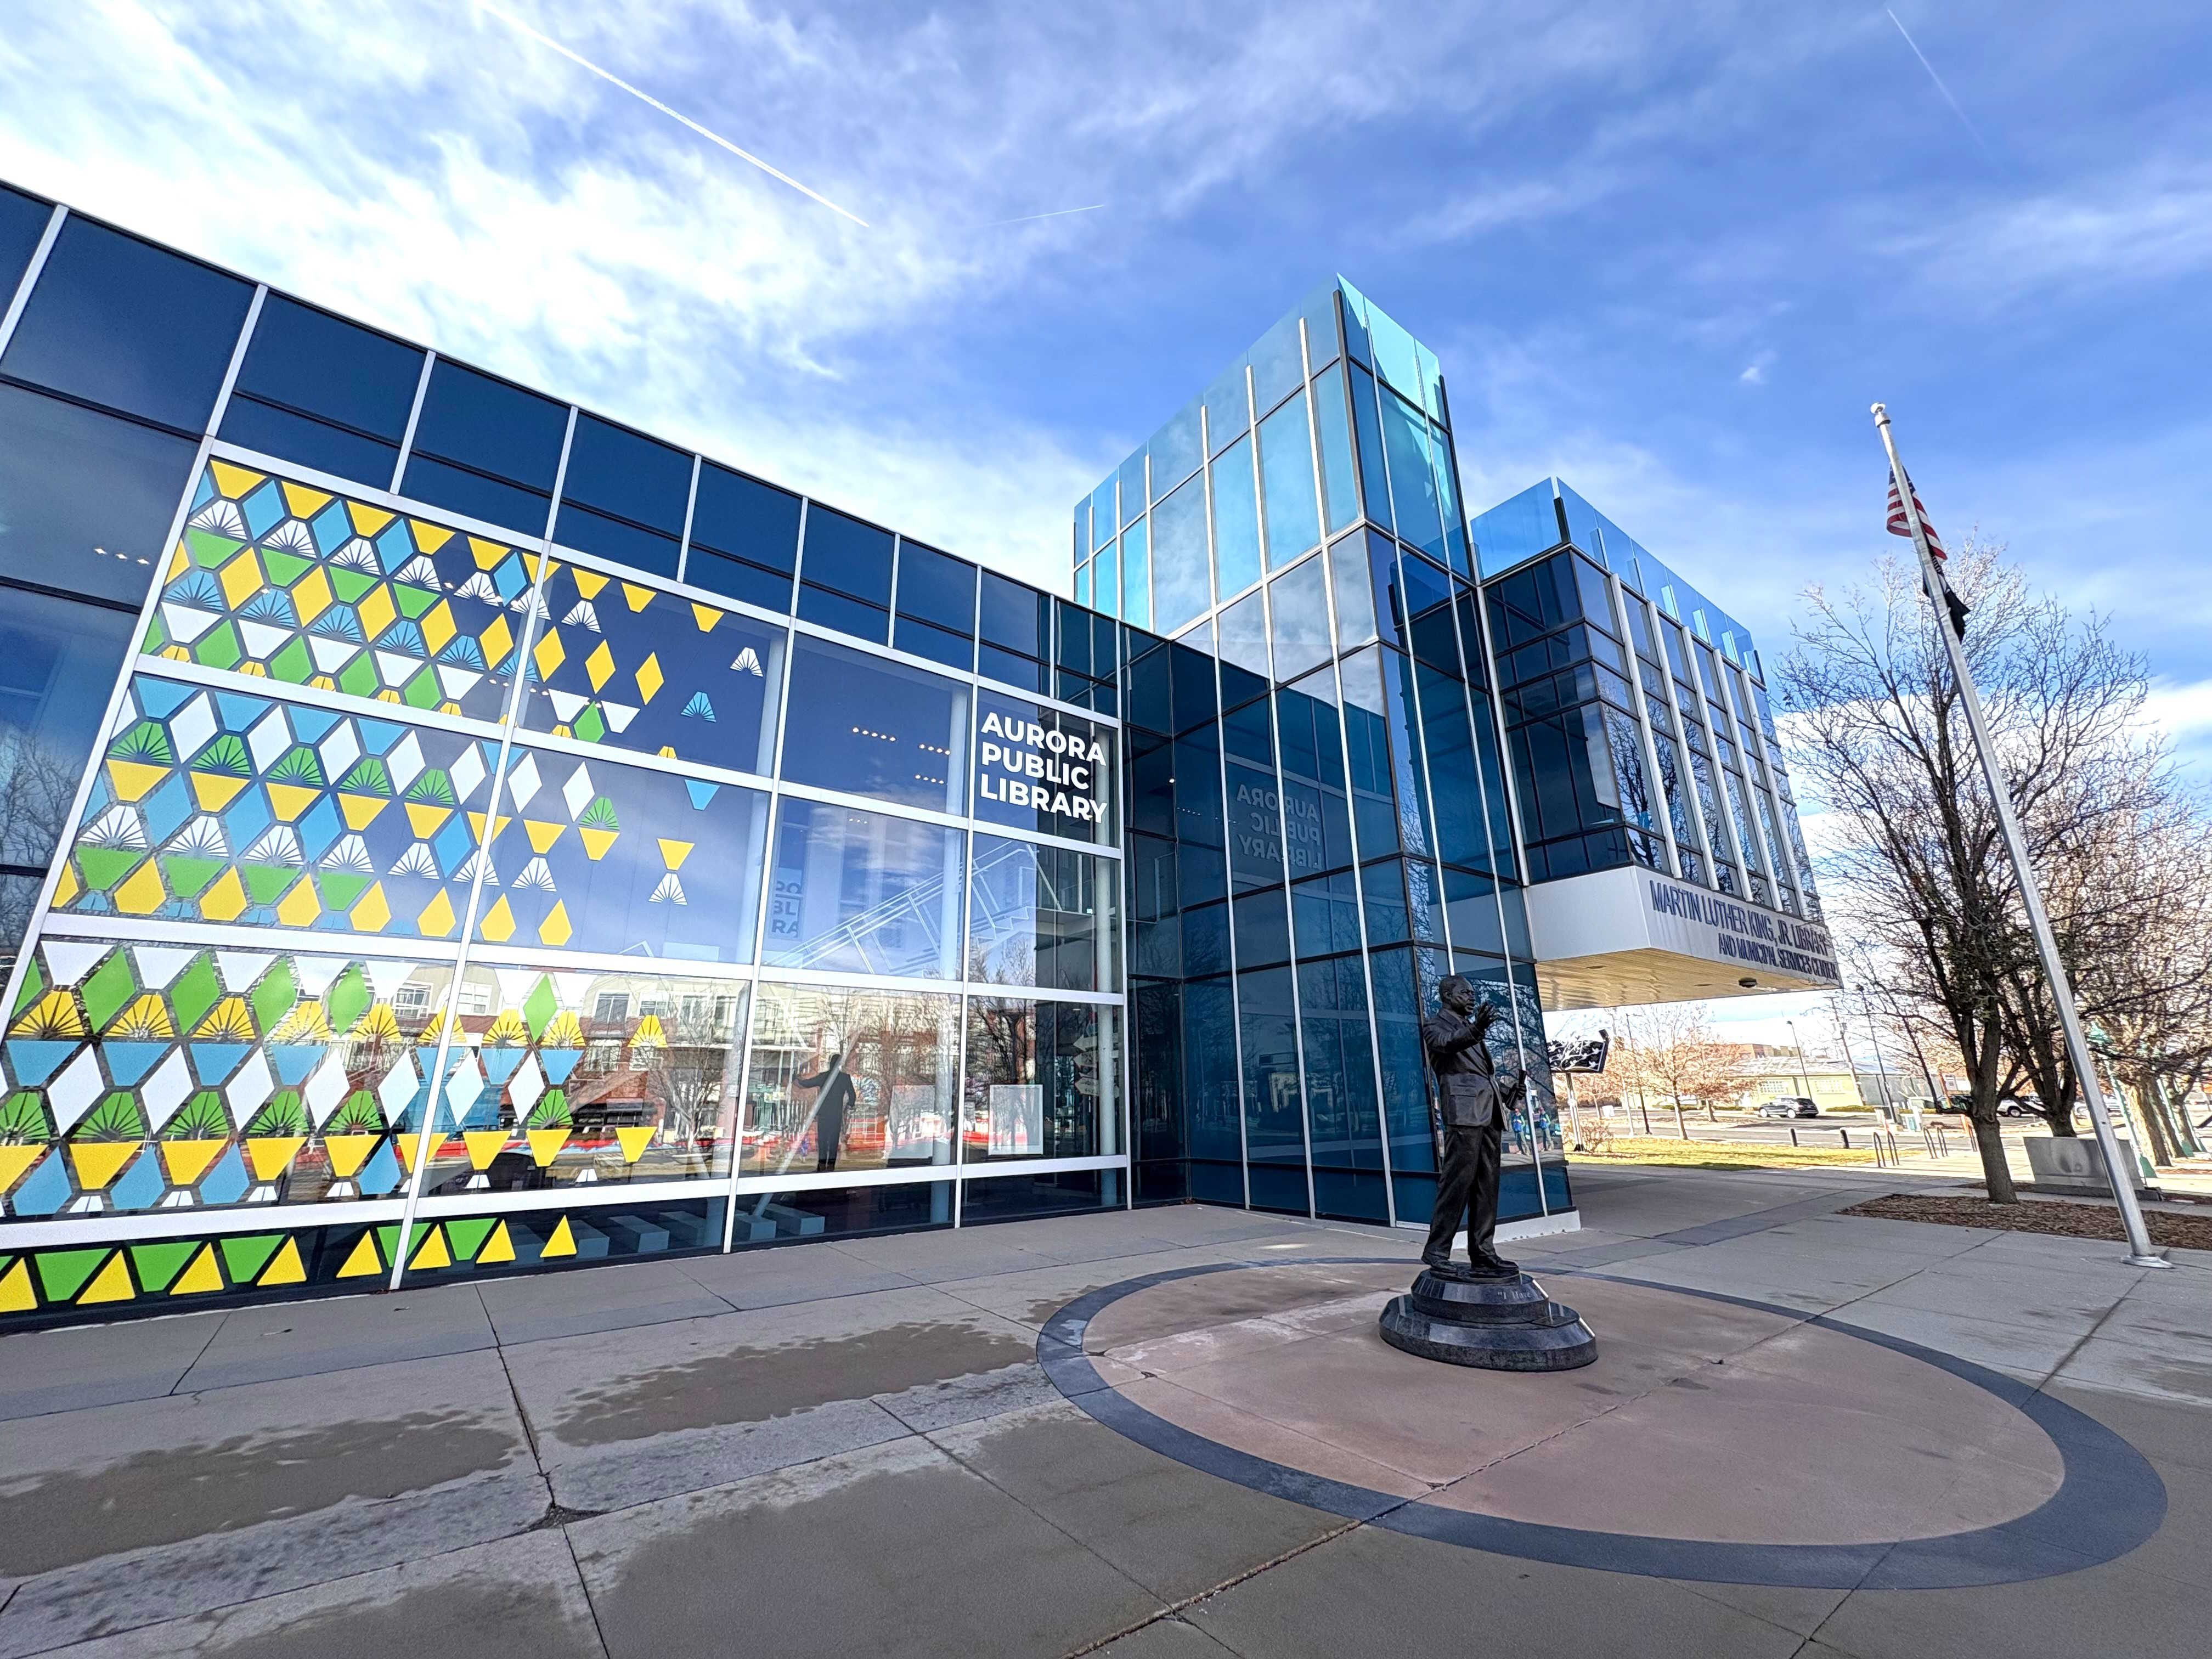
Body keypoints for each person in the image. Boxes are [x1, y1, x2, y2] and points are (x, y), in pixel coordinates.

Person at [1420, 975, 1525, 1279]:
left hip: (1488, 1114)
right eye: (1465, 993)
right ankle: (1437, 1250)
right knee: (1457, 1183)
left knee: (1487, 1185)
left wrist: (1507, 1093)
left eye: (1473, 993)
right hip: (1464, 1115)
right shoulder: (1435, 1026)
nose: (1471, 997)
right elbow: (1448, 1045)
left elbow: (1479, 1075)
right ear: (1447, 995)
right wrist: (1477, 1028)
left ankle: (1483, 1252)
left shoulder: (1470, 1029)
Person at [794, 1049, 854, 1173]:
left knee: (823, 1139)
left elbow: (808, 1083)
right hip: (836, 1114)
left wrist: (796, 1079)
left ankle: (822, 1164)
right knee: (833, 1140)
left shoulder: (824, 1076)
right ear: (840, 1064)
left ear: (830, 1064)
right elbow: (852, 1096)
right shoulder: (845, 1078)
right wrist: (849, 1106)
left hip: (824, 1114)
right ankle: (831, 1165)